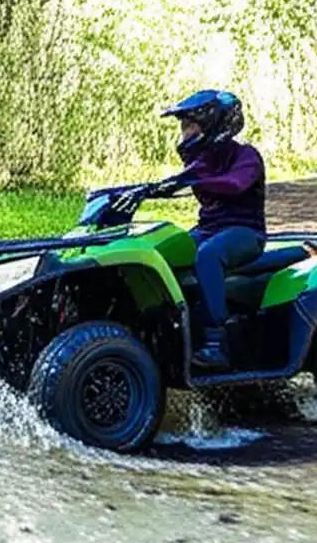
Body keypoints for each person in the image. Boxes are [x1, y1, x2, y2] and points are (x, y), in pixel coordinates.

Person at [114, 89, 266, 369]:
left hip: (245, 232)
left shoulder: (247, 156)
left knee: (209, 255)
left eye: (190, 125)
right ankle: (162, 328)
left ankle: (216, 342)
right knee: (161, 251)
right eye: (184, 126)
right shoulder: (204, 161)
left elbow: (235, 184)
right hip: (207, 229)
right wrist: (142, 191)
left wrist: (194, 181)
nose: (185, 132)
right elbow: (179, 179)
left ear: (214, 124)